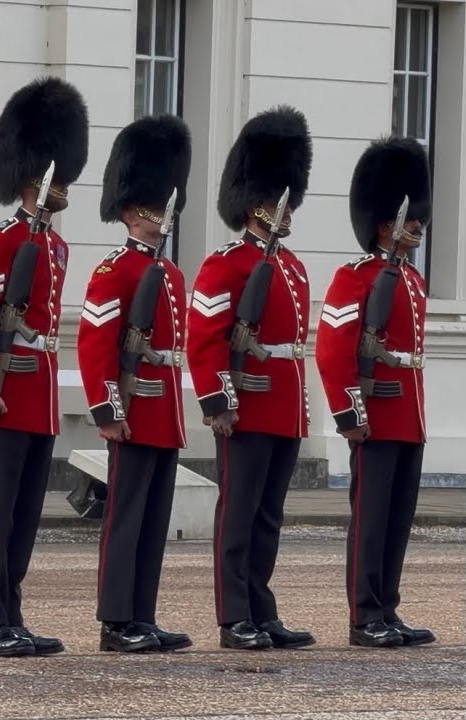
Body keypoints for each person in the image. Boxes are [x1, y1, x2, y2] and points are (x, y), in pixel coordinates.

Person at [0, 77, 88, 658]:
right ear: (35, 178)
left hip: (40, 392)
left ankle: (13, 611)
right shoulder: (0, 242)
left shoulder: (54, 247)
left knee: (27, 513)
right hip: (6, 390)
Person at [186, 106, 316, 651]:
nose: (286, 210)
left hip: (281, 404)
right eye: (278, 199)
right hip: (247, 404)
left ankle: (262, 608)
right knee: (238, 512)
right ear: (256, 202)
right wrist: (219, 399)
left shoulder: (293, 266)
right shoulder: (226, 264)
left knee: (268, 515)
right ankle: (233, 614)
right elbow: (204, 337)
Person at [77, 114, 193, 653]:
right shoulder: (113, 271)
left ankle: (142, 613)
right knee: (126, 517)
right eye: (149, 207)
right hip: (133, 408)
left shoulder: (170, 273)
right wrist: (108, 408)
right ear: (128, 212)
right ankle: (115, 620)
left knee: (153, 519)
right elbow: (95, 343)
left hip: (163, 409)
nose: (160, 217)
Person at [316, 137, 436, 648]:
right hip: (375, 415)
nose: (417, 226)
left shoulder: (413, 280)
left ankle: (388, 606)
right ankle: (365, 615)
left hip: (407, 415)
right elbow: (332, 351)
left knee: (397, 520)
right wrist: (349, 413)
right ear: (385, 222)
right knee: (370, 520)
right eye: (409, 218)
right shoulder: (355, 276)